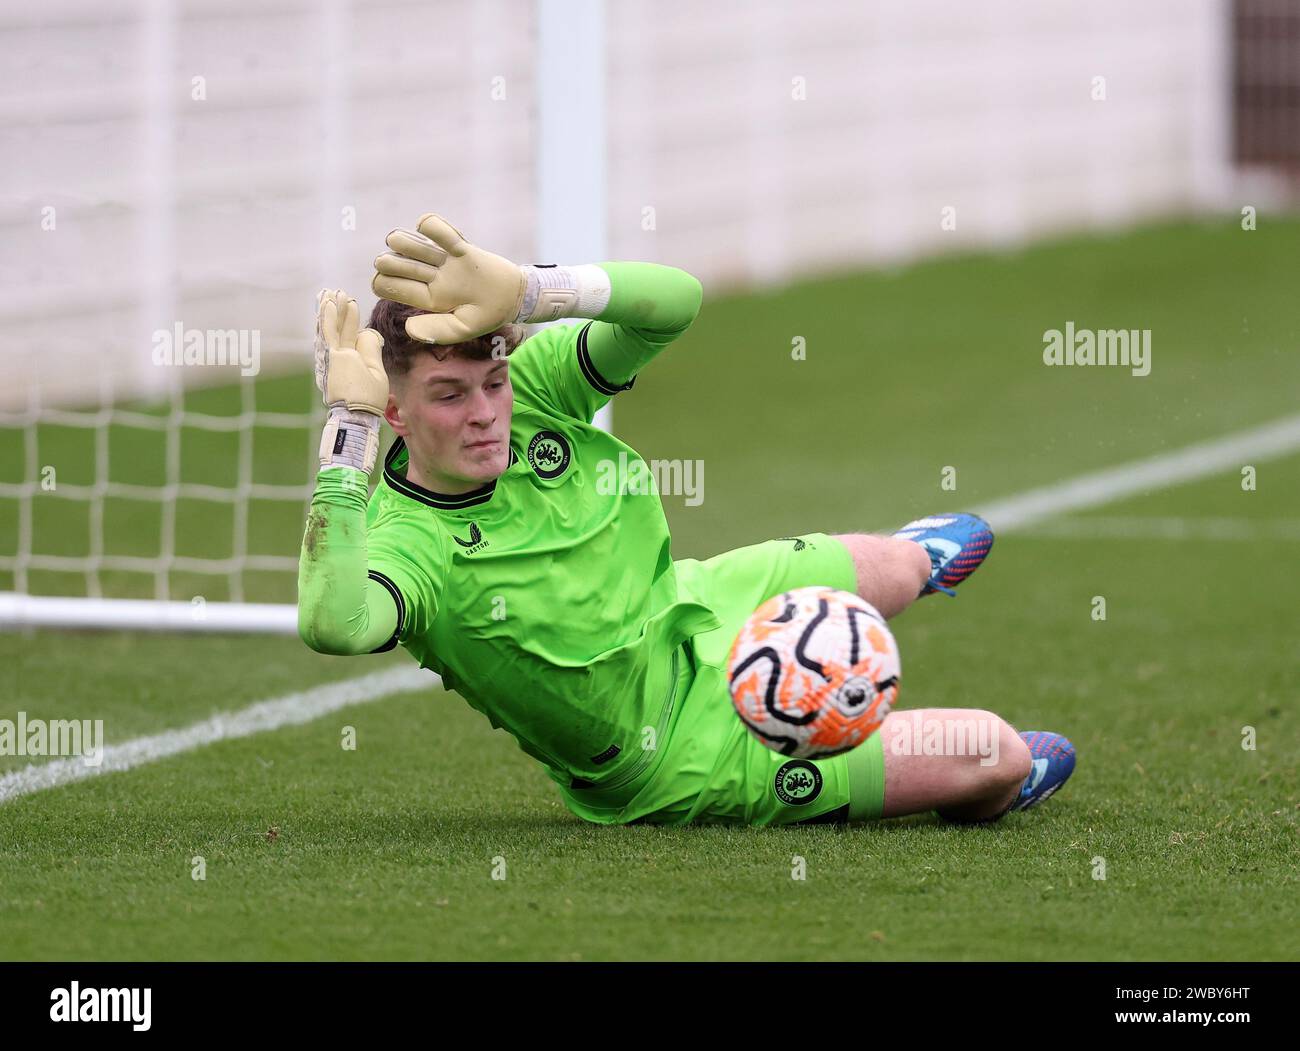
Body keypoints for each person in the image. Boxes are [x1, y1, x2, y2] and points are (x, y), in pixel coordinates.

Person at [297, 213, 1076, 826]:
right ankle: (994, 791)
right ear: (392, 409)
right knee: (990, 751)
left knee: (896, 569)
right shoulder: (406, 542)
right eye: (449, 395)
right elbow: (334, 623)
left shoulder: (532, 389)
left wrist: (534, 293)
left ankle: (914, 566)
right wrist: (346, 438)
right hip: (673, 751)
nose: (485, 414)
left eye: (491, 382)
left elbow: (674, 304)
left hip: (688, 605)